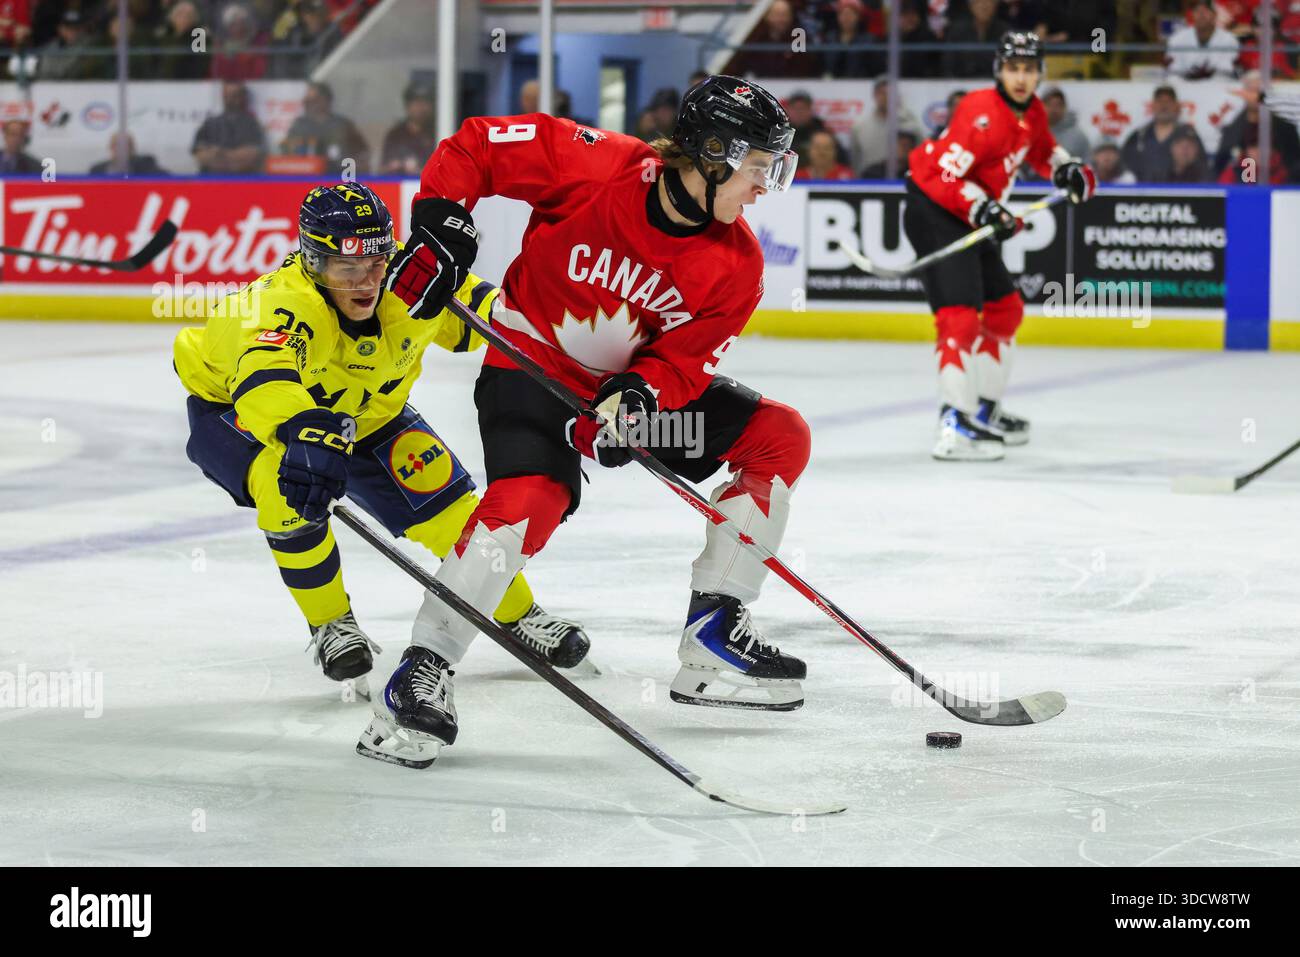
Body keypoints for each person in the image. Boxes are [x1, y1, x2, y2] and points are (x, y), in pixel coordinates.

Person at [365, 77, 811, 766]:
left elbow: (684, 361)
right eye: (759, 169)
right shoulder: (598, 164)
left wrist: (639, 397)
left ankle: (714, 634)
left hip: (623, 406)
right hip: (529, 375)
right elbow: (478, 145)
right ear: (713, 154)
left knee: (779, 435)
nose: (763, 188)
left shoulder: (739, 265)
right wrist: (439, 218)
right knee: (525, 505)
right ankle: (422, 667)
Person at [173, 183, 589, 698]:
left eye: (375, 262)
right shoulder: (273, 307)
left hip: (368, 413)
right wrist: (300, 431)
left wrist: (566, 336)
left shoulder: (408, 278)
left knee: (456, 512)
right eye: (347, 269)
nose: (366, 281)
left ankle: (519, 614)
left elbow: (491, 315)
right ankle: (330, 624)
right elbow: (267, 380)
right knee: (290, 493)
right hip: (241, 414)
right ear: (312, 262)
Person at [905, 31, 1096, 461]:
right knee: (959, 317)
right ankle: (954, 422)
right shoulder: (979, 112)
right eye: (1014, 68)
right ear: (1000, 70)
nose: (1022, 78)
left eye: (1029, 69)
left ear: (1040, 73)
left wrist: (1068, 169)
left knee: (1005, 309)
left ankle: (985, 410)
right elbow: (944, 178)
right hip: (933, 210)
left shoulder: (1033, 112)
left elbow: (1044, 150)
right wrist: (984, 209)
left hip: (970, 213)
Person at [281, 81, 370, 174]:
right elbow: (287, 151)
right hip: (307, 177)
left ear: (326, 100)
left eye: (314, 100)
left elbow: (362, 151)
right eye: (307, 101)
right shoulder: (300, 125)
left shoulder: (342, 124)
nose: (310, 104)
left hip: (339, 176)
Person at [1121, 85, 1204, 183]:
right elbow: (1123, 166)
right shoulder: (1139, 136)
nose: (1164, 106)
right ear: (1153, 105)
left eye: (1168, 102)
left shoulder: (1189, 134)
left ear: (1176, 106)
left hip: (1179, 192)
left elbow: (1202, 168)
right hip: (1143, 193)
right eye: (1160, 102)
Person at [848, 76, 924, 174]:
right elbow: (855, 161)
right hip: (870, 181)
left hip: (902, 180)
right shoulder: (860, 127)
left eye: (891, 94)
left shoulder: (910, 123)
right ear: (875, 95)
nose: (887, 97)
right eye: (882, 93)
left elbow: (920, 155)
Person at [192, 81, 267, 174]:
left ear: (243, 97)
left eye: (234, 95)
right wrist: (231, 157)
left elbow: (252, 156)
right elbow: (200, 154)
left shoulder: (251, 124)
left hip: (242, 182)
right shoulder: (210, 123)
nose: (230, 99)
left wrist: (221, 154)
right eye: (227, 95)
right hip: (210, 181)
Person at [1166, 0, 1239, 80]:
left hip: (1217, 85)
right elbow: (1174, 70)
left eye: (1206, 11)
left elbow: (1225, 70)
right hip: (1184, 84)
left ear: (1214, 15)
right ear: (1192, 15)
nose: (1201, 14)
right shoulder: (1178, 38)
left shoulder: (1229, 39)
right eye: (1197, 11)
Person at [942, 0, 1010, 79]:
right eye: (978, 2)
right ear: (971, 6)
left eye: (989, 2)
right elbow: (948, 66)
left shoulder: (1005, 32)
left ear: (996, 5)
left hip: (994, 84)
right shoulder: (957, 31)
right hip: (961, 84)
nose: (984, 6)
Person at [380, 83, 438, 174]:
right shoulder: (396, 135)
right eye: (416, 103)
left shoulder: (439, 132)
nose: (420, 108)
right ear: (407, 105)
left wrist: (421, 170)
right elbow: (382, 169)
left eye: (425, 102)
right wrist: (396, 166)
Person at [88, 132, 167, 176]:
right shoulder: (97, 170)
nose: (120, 150)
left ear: (132, 148)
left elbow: (166, 178)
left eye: (125, 146)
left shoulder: (145, 164)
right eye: (116, 145)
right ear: (111, 147)